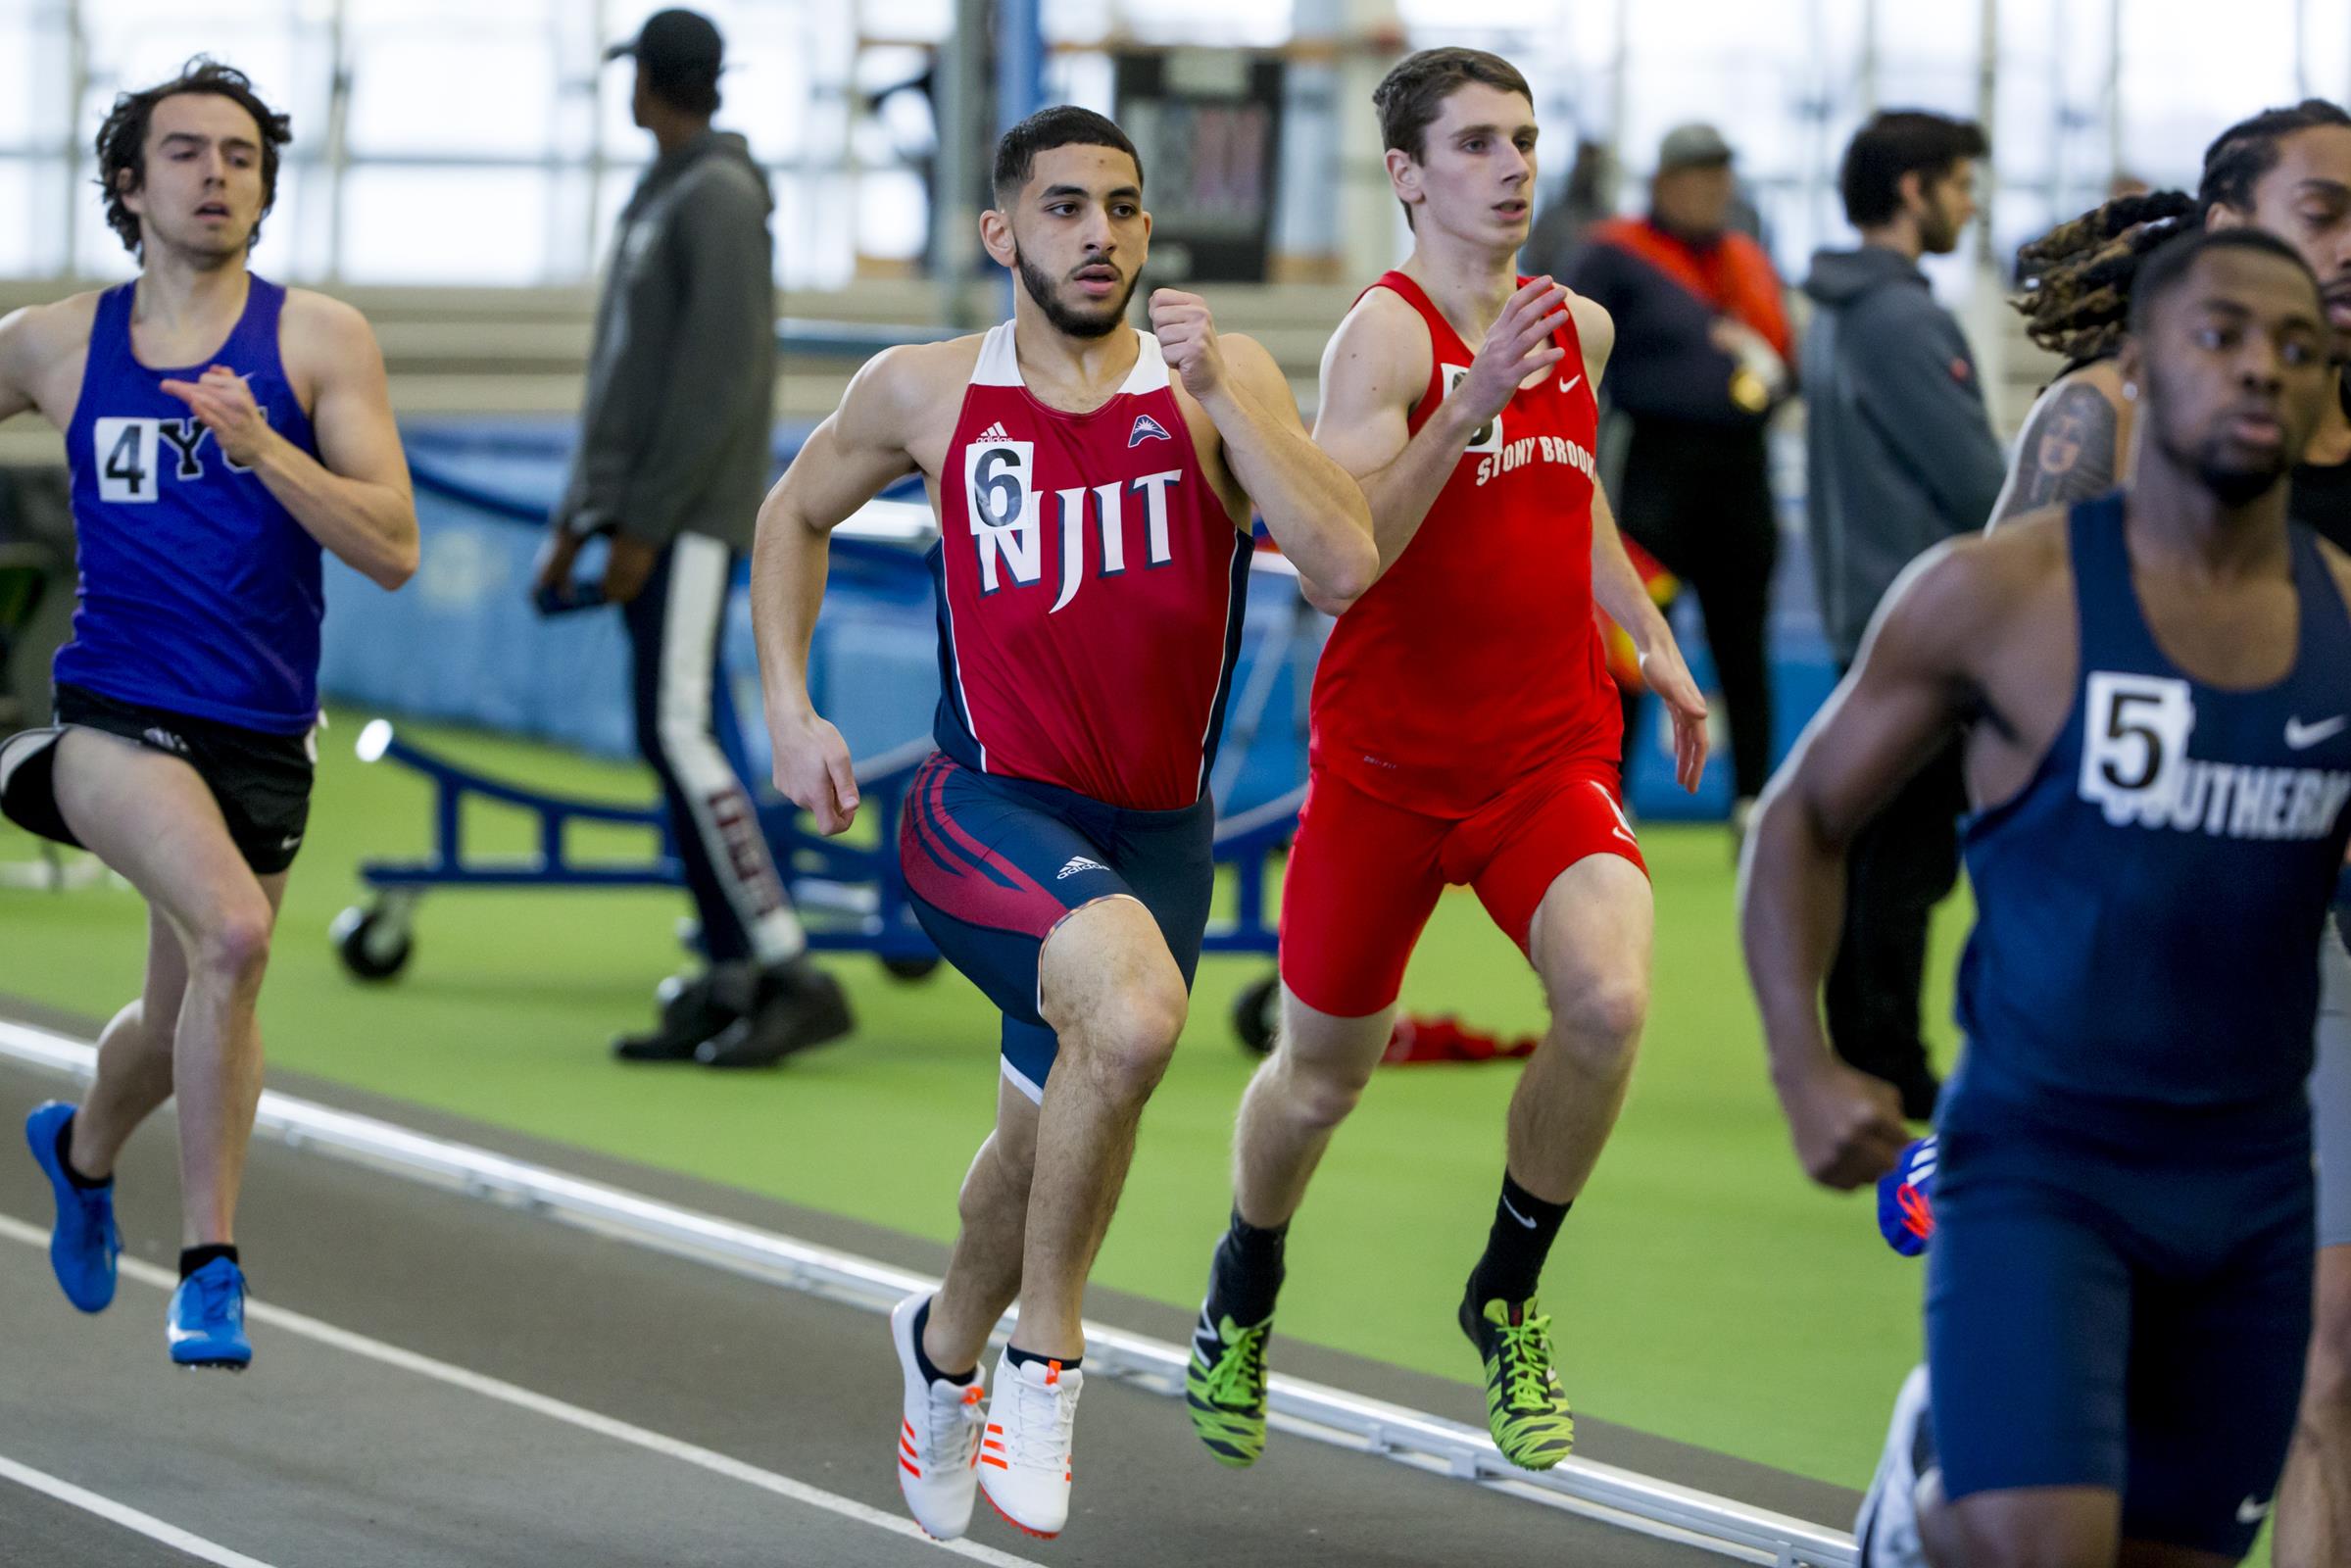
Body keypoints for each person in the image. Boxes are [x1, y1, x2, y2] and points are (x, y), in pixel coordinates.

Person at [749, 108, 1374, 1541]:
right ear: (1002, 233)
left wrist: (1242, 400)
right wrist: (792, 710)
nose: (1099, 233)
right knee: (1138, 1017)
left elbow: (1340, 565)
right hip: (983, 812)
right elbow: (792, 517)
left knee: (1038, 1147)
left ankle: (940, 1346)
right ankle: (1048, 1356)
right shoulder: (922, 391)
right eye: (1065, 208)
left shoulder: (1213, 383)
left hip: (1157, 838)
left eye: (1123, 209)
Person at [1743, 226, 2349, 1568]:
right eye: (2220, 339)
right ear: (2133, 362)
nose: (2260, 371)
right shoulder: (1996, 596)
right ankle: (1935, 1502)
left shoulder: (2342, 625)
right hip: (2041, 1159)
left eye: (2294, 350)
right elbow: (1800, 819)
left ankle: (1933, 1507)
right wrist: (1804, 1064)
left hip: (2250, 1191)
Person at [1183, 47, 1708, 1477]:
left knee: (1603, 1000)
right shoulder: (1387, 342)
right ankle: (1243, 1285)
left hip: (1544, 750)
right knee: (1317, 1081)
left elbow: (1568, 488)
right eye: (1475, 143)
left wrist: (1646, 635)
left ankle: (1504, 1294)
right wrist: (1464, 405)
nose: (1511, 164)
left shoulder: (1578, 328)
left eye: (1523, 138)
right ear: (1407, 175)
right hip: (1385, 772)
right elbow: (1335, 561)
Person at [0, 59, 417, 1368]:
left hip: (263, 733)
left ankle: (79, 1150)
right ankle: (209, 1270)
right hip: (110, 717)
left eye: (239, 155)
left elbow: (394, 546)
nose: (215, 174)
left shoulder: (316, 341)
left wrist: (265, 448)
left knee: (181, 1010)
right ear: (129, 183)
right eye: (184, 152)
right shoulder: (59, 340)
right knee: (236, 938)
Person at [1997, 100, 2351, 1568]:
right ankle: (1952, 1463)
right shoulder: (2106, 422)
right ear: (2223, 224)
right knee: (2148, 1375)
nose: (2348, 250)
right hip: (2132, 958)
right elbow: (1978, 683)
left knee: (2328, 1367)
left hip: (2315, 942)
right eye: (2321, 212)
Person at [538, 7, 850, 1069]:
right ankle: (729, 973)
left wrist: (643, 523)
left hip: (688, 518)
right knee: (674, 733)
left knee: (683, 732)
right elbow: (621, 376)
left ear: (649, 84)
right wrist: (577, 516)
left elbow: (711, 386)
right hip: (644, 516)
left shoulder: (713, 198)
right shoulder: (661, 193)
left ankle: (786, 965)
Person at [1797, 110, 2001, 1123]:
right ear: (1912, 189)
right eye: (1960, 184)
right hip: (1920, 629)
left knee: (1876, 849)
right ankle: (1889, 1059)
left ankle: (1870, 1045)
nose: (1971, 205)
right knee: (1905, 861)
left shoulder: (1834, 310)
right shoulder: (1900, 319)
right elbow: (1977, 483)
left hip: (1862, 618)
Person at [1568, 121, 1793, 833]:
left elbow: (1790, 369)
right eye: (1697, 175)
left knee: (1743, 644)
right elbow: (1567, 360)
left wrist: (1769, 378)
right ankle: (1608, 796)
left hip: (1741, 480)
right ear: (1663, 183)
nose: (1712, 189)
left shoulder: (1747, 261)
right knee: (1630, 646)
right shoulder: (1614, 256)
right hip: (1654, 477)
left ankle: (1755, 805)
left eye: (1720, 175)